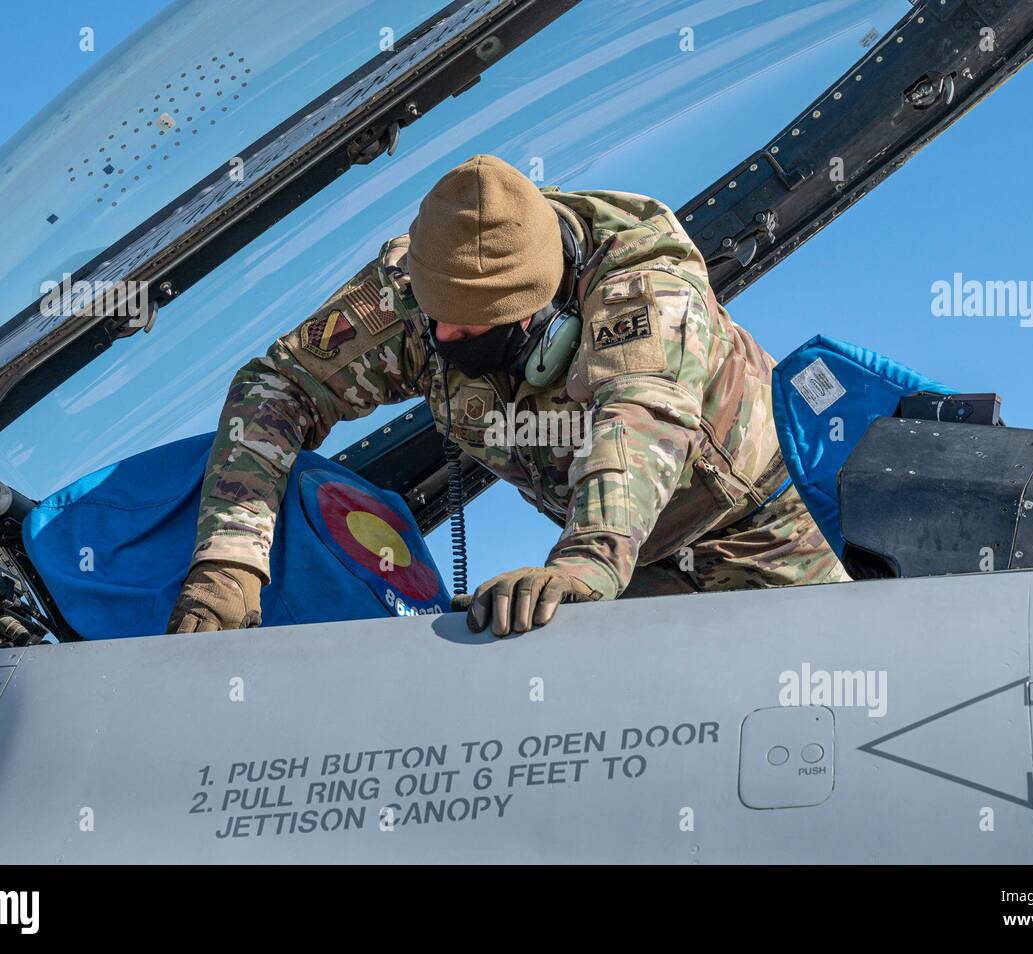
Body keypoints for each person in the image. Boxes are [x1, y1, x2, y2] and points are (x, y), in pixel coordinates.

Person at [167, 154, 846, 636]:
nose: (446, 334)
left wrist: (586, 563)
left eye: (473, 327)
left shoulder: (643, 284)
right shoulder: (415, 289)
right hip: (628, 574)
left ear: (542, 312)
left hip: (764, 530)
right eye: (437, 318)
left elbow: (640, 419)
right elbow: (278, 385)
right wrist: (230, 557)